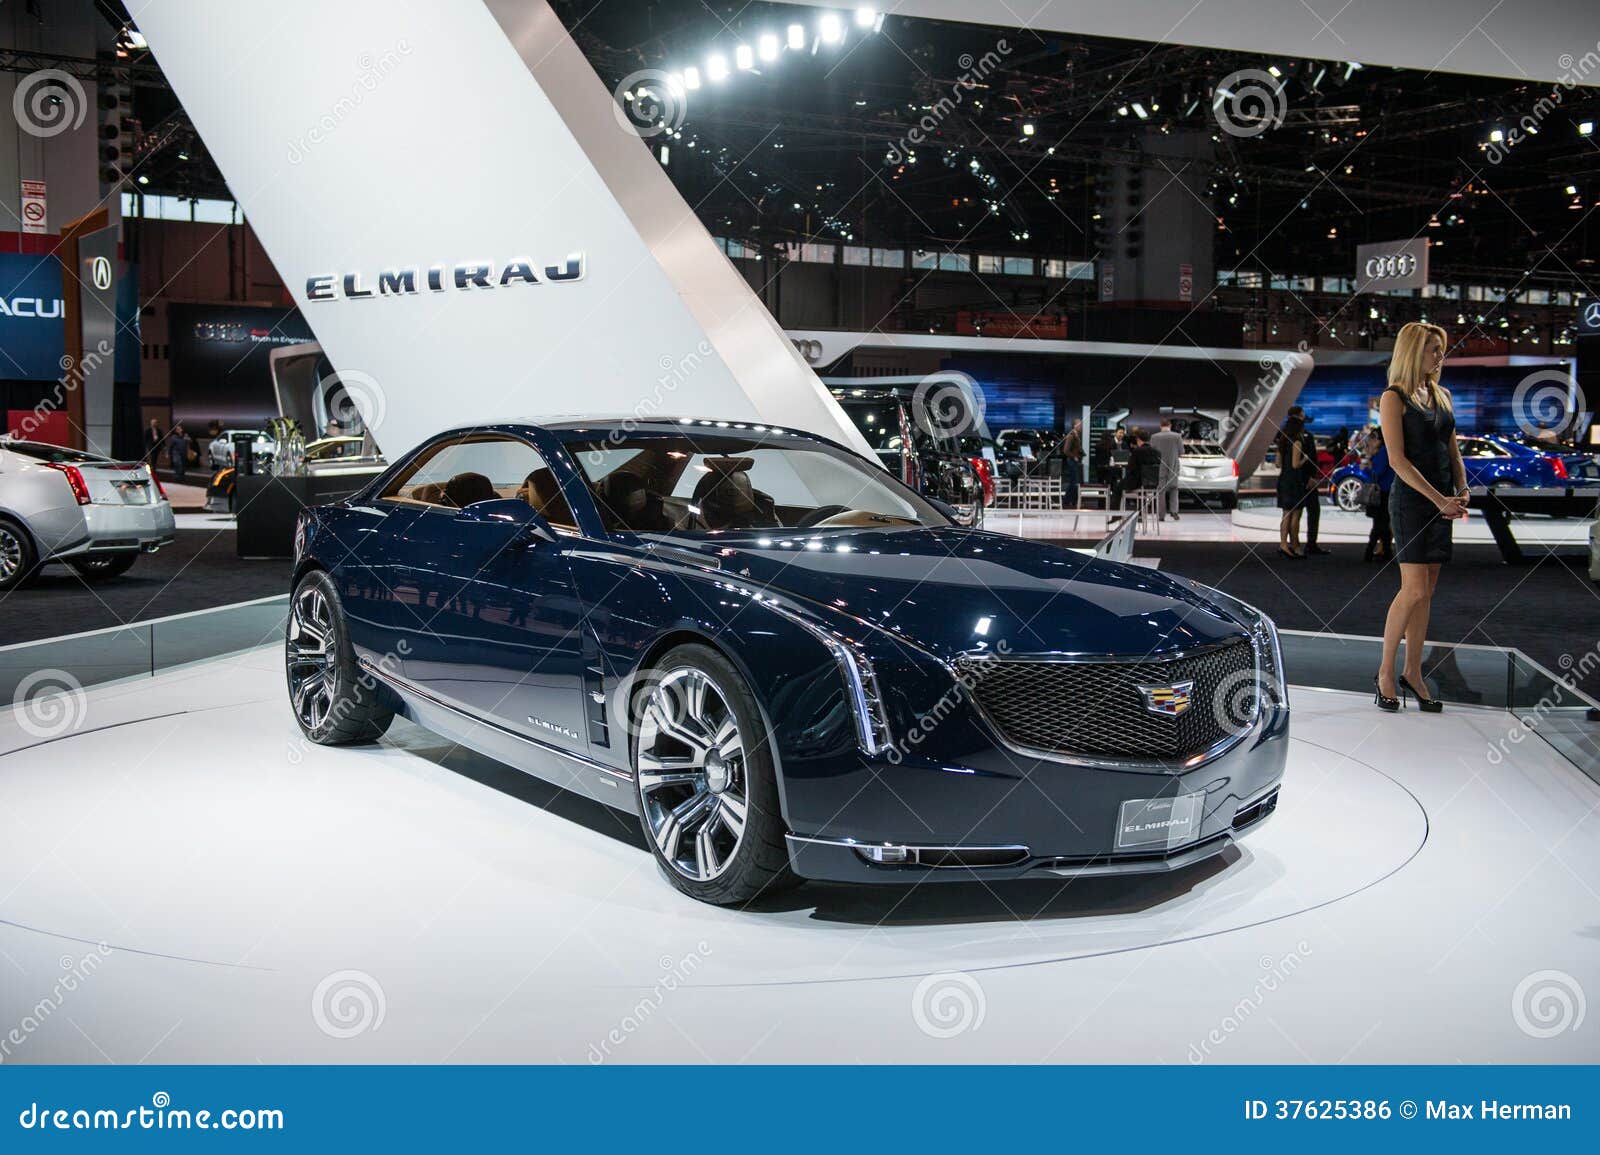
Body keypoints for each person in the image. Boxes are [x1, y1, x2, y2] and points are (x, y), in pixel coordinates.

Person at [1373, 321, 1467, 713]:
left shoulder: (1442, 396)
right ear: (1414, 351)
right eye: (1432, 348)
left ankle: (1413, 671)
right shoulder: (1393, 398)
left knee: (1426, 592)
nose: (1439, 355)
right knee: (1412, 590)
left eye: (1441, 348)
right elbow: (1397, 460)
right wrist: (1438, 498)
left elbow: (1452, 452)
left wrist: (1461, 489)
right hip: (1412, 504)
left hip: (1443, 502)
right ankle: (1384, 673)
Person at [1287, 405, 1328, 554]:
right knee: (1306, 512)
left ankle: (1292, 544)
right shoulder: (1302, 437)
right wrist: (1311, 477)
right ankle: (1302, 545)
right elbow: (1309, 458)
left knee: (1294, 513)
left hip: (1293, 480)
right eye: (1302, 414)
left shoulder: (1286, 437)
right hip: (1303, 481)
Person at [1274, 415, 1309, 558]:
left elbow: (1277, 463)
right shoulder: (1297, 443)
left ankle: (1283, 544)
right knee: (1295, 513)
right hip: (1294, 481)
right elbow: (1295, 465)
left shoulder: (1282, 441)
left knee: (1285, 513)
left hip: (1283, 479)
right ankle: (1295, 545)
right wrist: (1305, 459)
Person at [1363, 426, 1395, 563]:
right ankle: (1386, 551)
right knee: (1383, 523)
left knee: (1379, 524)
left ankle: (1371, 552)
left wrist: (1367, 469)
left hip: (1383, 491)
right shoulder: (1384, 451)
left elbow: (1378, 473)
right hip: (1385, 491)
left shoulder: (1383, 452)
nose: (1371, 440)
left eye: (1373, 437)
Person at [1149, 418, 1184, 521]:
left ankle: (1161, 515)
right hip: (1173, 467)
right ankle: (1174, 512)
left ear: (1160, 426)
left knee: (1160, 491)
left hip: (1160, 467)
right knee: (1174, 489)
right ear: (1170, 426)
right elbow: (1181, 452)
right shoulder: (1177, 436)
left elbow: (1151, 453)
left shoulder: (1154, 437)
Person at [1059, 418, 1083, 508]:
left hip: (1074, 461)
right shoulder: (1071, 435)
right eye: (1079, 424)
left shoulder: (1077, 435)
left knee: (1074, 482)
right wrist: (1074, 456)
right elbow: (1066, 450)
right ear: (1074, 425)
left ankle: (1072, 501)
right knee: (1074, 482)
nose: (1081, 426)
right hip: (1071, 461)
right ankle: (1066, 500)